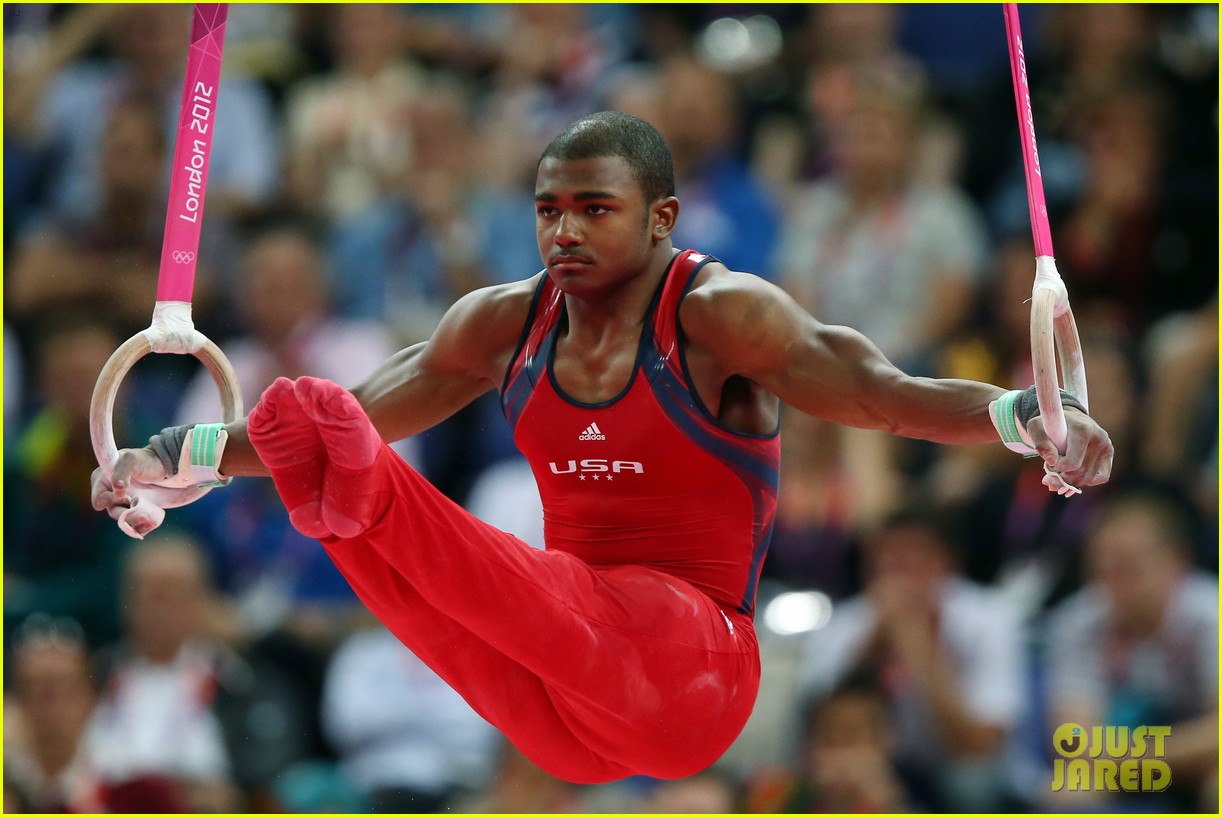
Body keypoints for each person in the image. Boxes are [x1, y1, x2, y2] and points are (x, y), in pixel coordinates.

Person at [93, 112, 1114, 783]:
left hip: (693, 669)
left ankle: (370, 508)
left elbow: (881, 394)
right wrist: (172, 450)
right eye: (546, 211)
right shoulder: (501, 323)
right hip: (567, 710)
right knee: (345, 484)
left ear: (663, 217)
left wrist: (1024, 418)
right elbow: (348, 415)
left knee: (501, 561)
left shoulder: (722, 315)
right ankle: (355, 515)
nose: (563, 233)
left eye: (595, 209)